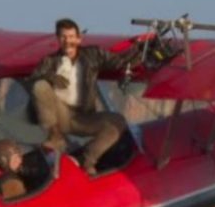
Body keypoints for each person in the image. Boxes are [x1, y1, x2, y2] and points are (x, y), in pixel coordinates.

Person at [27, 18, 137, 176]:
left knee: (118, 122)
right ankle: (55, 136)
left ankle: (89, 159)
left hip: (85, 118)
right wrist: (50, 76)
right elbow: (33, 80)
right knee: (40, 86)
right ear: (58, 39)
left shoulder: (93, 54)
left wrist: (140, 51)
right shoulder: (49, 61)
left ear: (79, 38)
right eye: (63, 37)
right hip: (62, 115)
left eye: (71, 37)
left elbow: (119, 62)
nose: (67, 41)